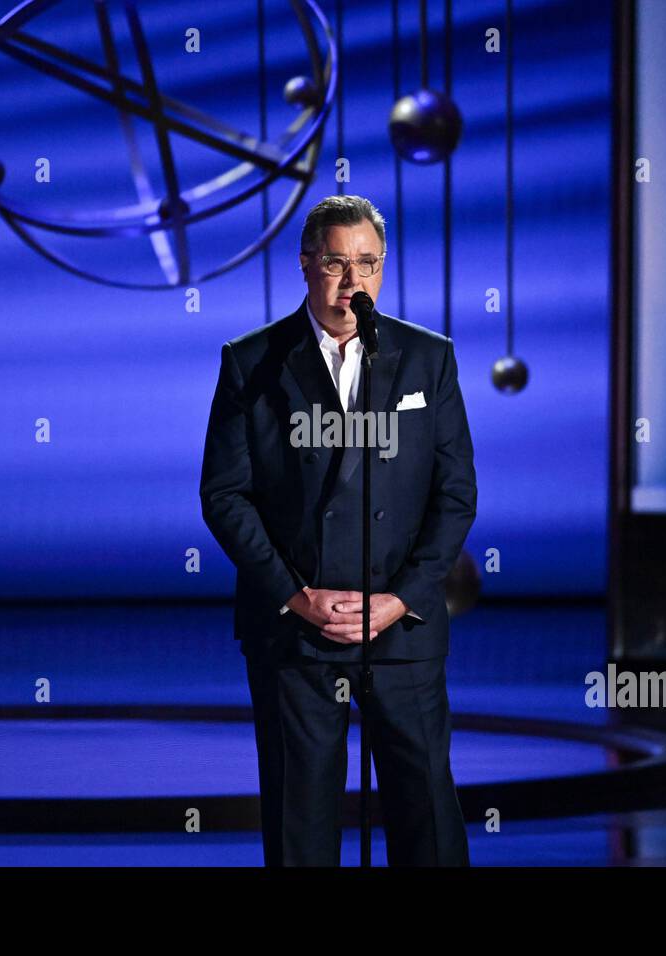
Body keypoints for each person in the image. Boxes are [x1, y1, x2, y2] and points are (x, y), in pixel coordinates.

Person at [199, 194, 476, 866]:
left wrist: (401, 597)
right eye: (336, 263)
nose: (353, 281)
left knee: (427, 814)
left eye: (368, 264)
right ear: (305, 265)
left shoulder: (426, 359)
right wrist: (296, 596)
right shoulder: (254, 363)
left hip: (400, 627)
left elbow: (456, 495)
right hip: (298, 632)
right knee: (301, 821)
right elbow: (224, 495)